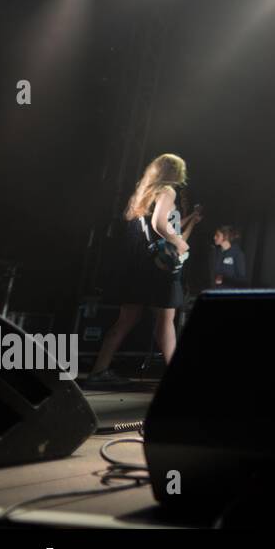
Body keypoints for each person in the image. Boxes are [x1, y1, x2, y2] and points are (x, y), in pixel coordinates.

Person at [86, 154, 193, 382]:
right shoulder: (168, 191)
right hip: (157, 268)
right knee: (166, 322)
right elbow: (159, 223)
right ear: (175, 171)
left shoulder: (143, 193)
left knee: (125, 320)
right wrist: (180, 243)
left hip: (136, 266)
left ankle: (98, 371)